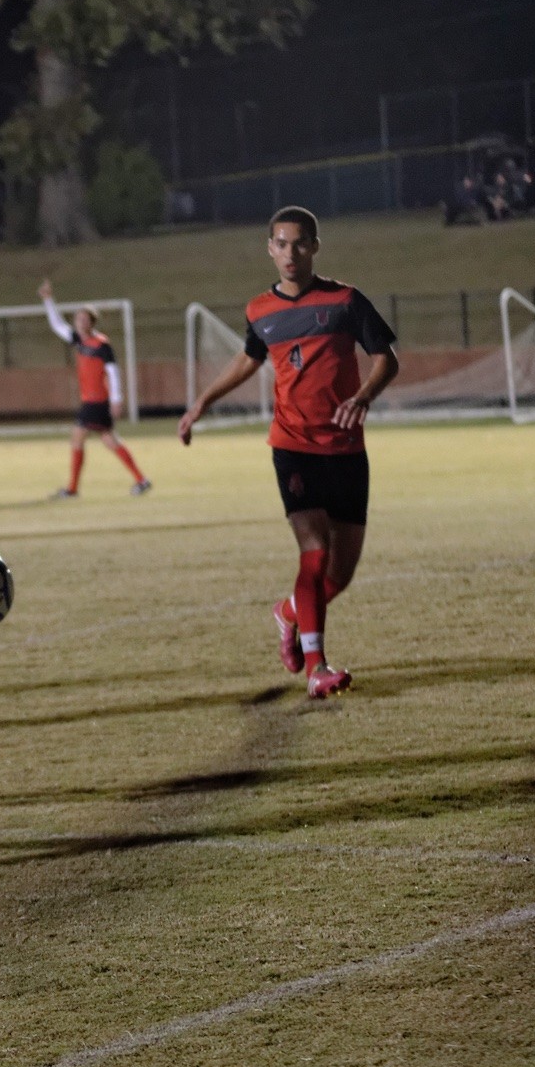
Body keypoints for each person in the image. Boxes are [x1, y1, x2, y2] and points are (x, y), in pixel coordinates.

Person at [175, 206, 398, 699]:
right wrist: (201, 404)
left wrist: (363, 397)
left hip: (346, 448)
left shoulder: (345, 301)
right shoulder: (259, 310)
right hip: (293, 446)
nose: (290, 252)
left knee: (339, 575)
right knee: (314, 551)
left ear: (314, 246)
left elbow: (386, 359)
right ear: (270, 249)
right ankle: (317, 668)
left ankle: (288, 613)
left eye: (299, 243)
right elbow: (247, 360)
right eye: (281, 243)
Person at [41, 280, 150, 499]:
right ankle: (141, 480)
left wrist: (117, 399)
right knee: (109, 440)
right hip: (90, 399)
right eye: (78, 319)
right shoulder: (78, 341)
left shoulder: (101, 344)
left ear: (92, 322)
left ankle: (72, 489)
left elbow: (113, 372)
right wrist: (48, 300)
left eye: (84, 319)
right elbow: (57, 325)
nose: (80, 322)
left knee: (78, 437)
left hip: (97, 400)